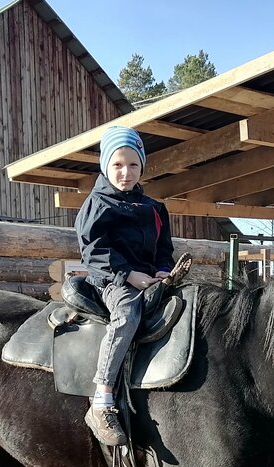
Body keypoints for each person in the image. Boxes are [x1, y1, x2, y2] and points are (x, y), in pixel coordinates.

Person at [75, 125, 175, 447]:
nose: (125, 172)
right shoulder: (98, 204)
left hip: (148, 279)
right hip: (111, 280)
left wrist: (162, 271)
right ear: (106, 165)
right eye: (117, 165)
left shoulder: (154, 208)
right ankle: (102, 397)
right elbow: (93, 250)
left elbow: (164, 250)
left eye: (133, 165)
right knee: (128, 311)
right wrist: (127, 275)